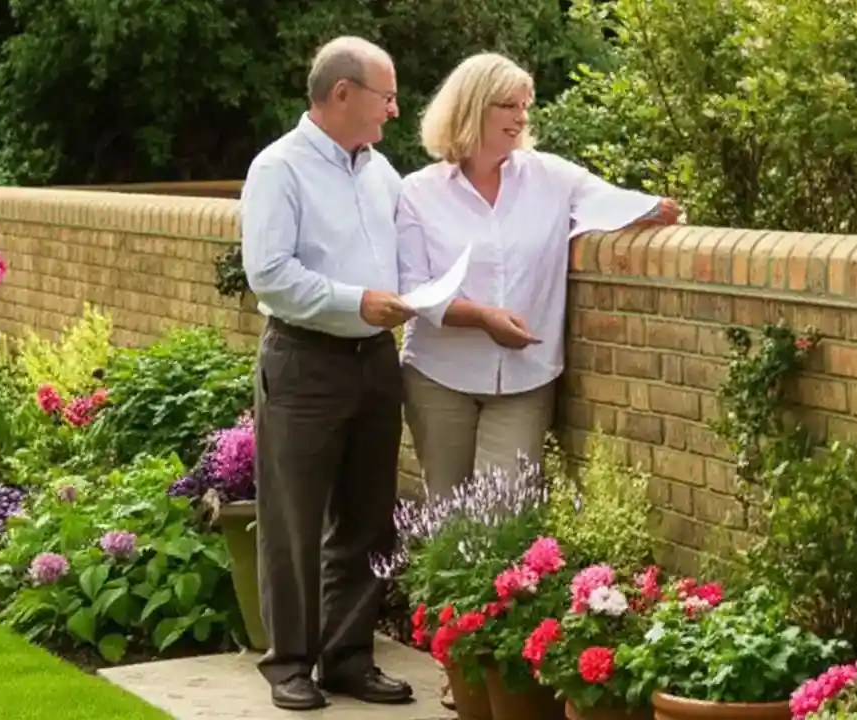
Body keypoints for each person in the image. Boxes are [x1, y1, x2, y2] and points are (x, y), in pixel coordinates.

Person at [397, 51, 681, 504]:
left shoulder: (551, 177)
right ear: (472, 108)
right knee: (446, 514)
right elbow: (413, 290)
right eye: (508, 105)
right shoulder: (418, 192)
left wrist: (657, 209)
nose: (520, 117)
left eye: (524, 105)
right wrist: (484, 317)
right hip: (439, 376)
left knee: (504, 515)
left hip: (525, 377)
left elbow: (611, 202)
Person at [239, 36, 415, 712]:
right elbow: (272, 275)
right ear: (342, 93)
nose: (394, 111)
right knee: (294, 520)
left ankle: (348, 658)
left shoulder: (380, 170)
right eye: (386, 95)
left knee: (369, 520)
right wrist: (356, 302)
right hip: (304, 362)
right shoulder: (278, 169)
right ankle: (289, 663)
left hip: (375, 362)